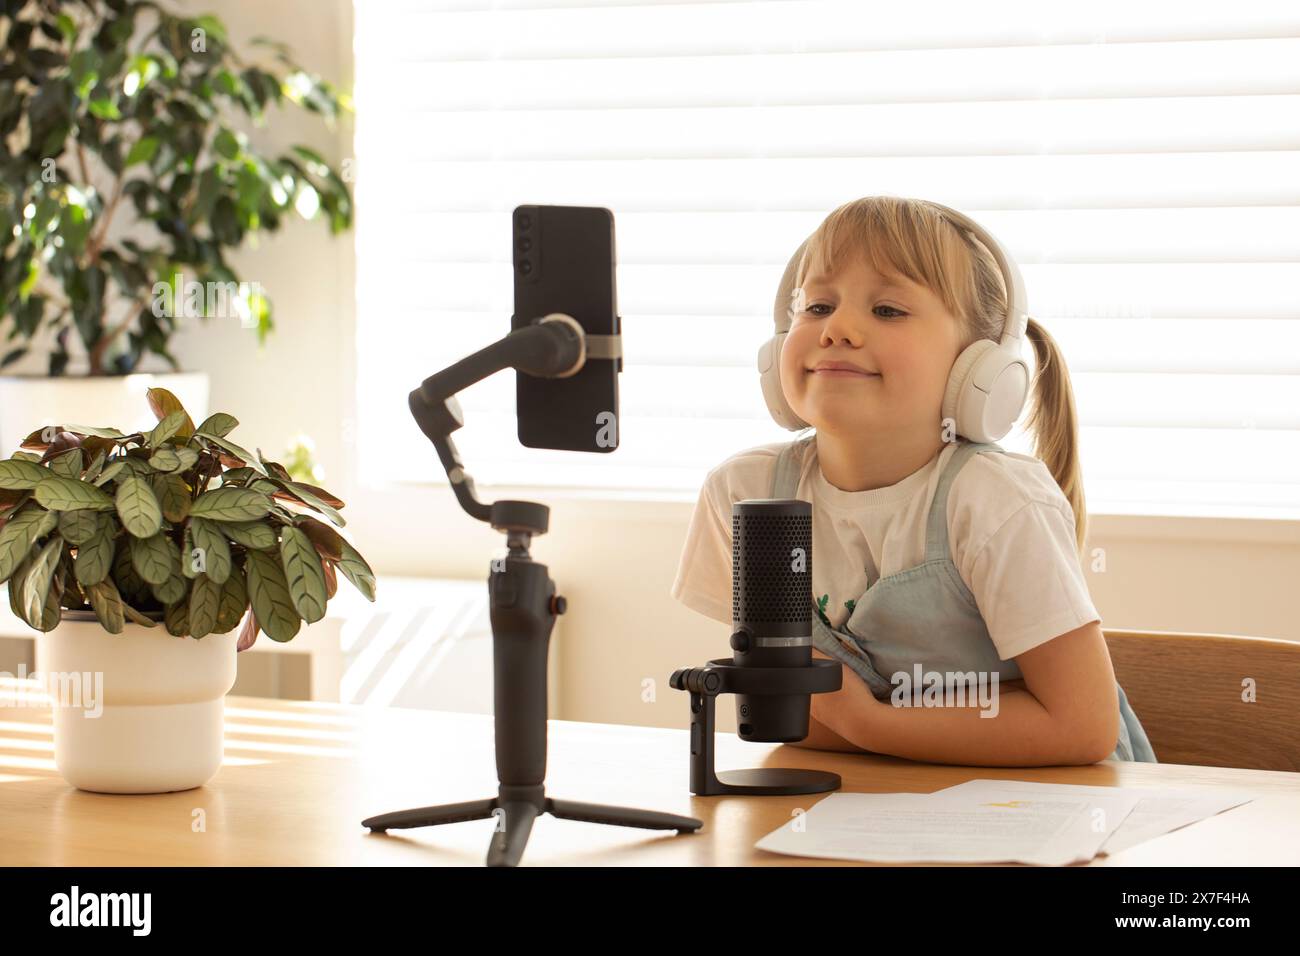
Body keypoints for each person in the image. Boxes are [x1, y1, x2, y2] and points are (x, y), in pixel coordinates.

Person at [671, 196, 1157, 766]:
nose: (838, 329)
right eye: (818, 305)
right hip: (874, 803)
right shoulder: (746, 494)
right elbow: (788, 724)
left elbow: (1081, 728)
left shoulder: (993, 500)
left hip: (1049, 808)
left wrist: (868, 720)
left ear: (978, 368)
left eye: (887, 311)